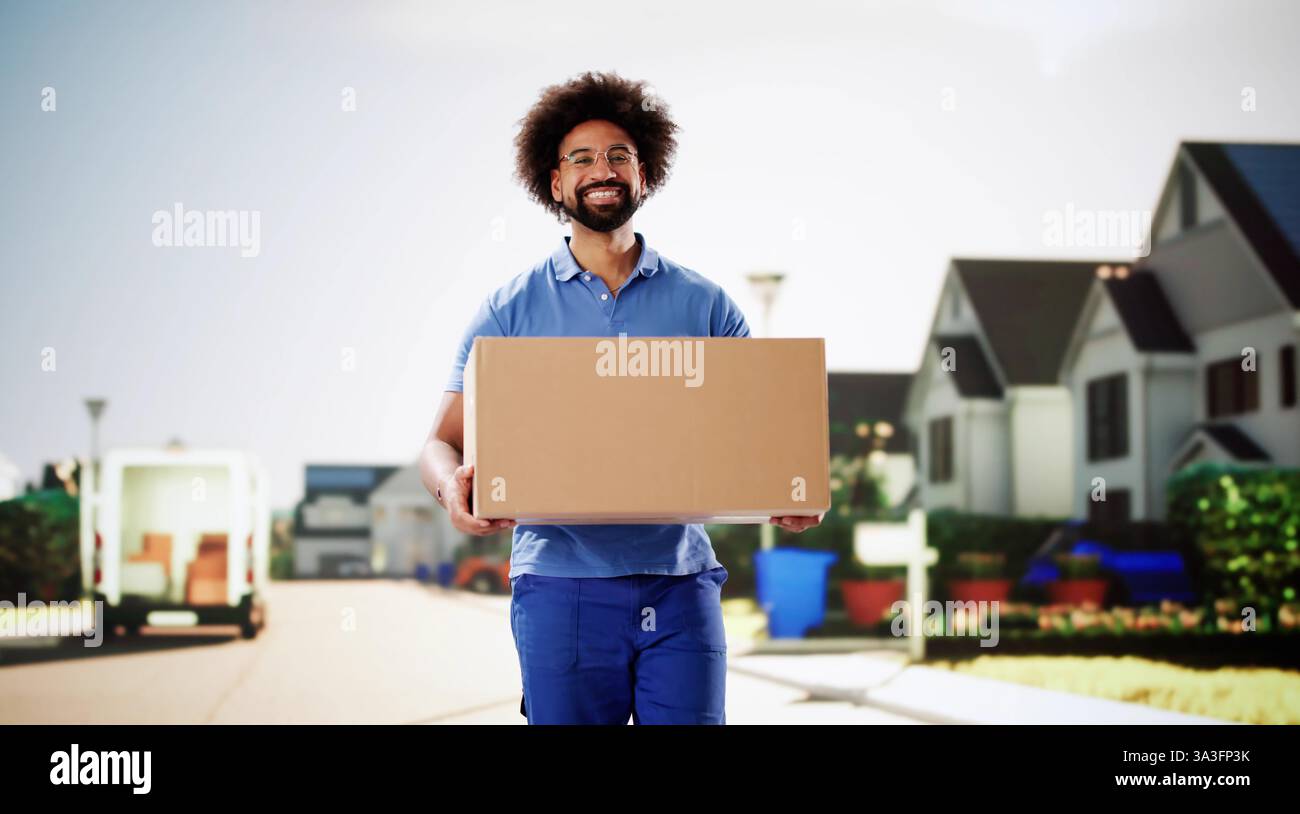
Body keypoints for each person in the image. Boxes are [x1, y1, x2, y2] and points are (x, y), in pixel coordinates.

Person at [420, 71, 822, 725]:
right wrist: (452, 493)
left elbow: (761, 430)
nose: (600, 170)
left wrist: (788, 489)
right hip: (560, 585)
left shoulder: (703, 302)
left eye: (618, 156)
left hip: (679, 581)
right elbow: (441, 441)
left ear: (644, 175)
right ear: (555, 183)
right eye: (581, 158)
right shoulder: (510, 308)